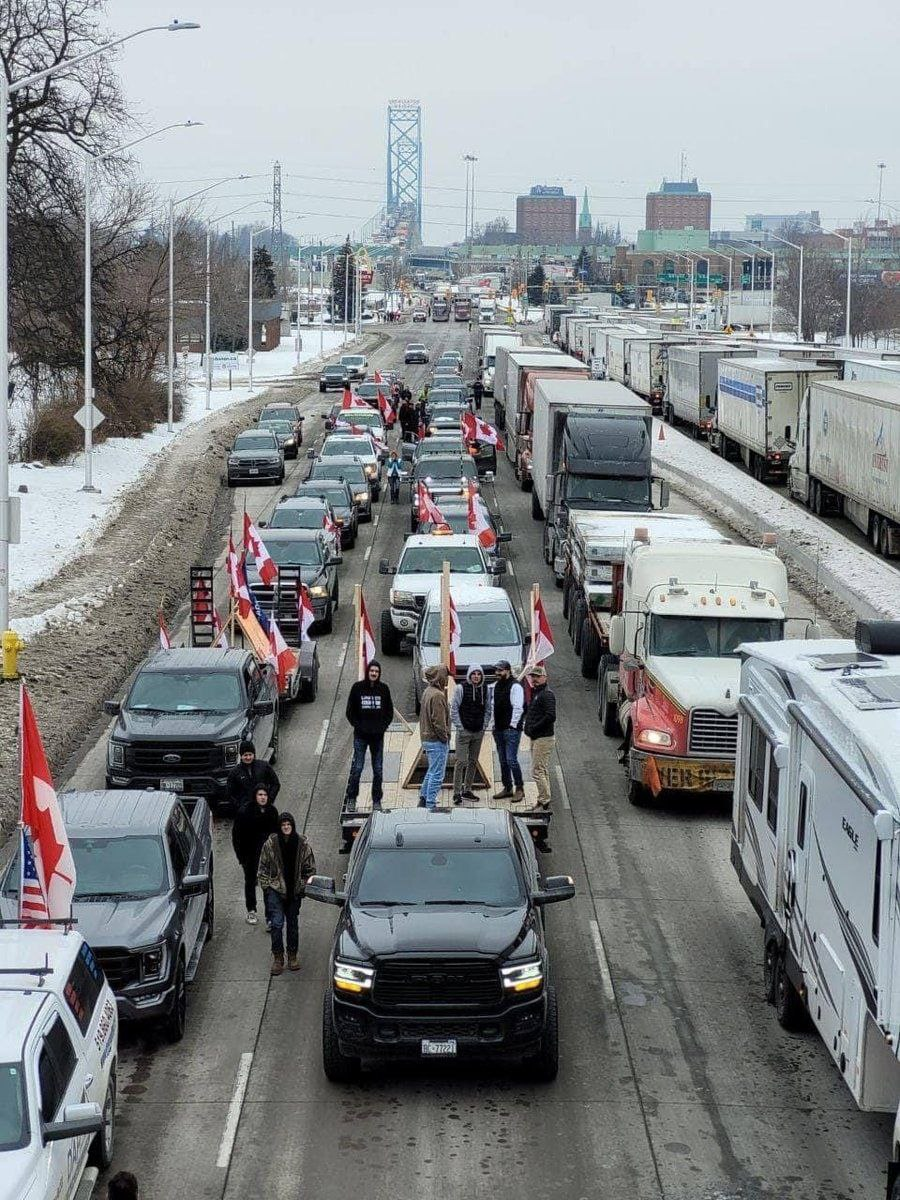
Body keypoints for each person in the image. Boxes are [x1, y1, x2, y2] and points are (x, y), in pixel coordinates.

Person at [257, 812, 316, 975]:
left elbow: (310, 870)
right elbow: (262, 869)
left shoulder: (302, 845)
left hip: (294, 892)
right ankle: (278, 957)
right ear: (279, 827)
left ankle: (292, 956)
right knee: (276, 924)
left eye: (288, 824)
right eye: (283, 825)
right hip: (275, 891)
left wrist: (303, 885)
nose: (286, 827)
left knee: (292, 924)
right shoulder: (270, 844)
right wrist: (267, 888)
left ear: (293, 825)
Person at [344, 660, 394, 810]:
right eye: (372, 671)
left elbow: (389, 712)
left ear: (379, 674)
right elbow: (350, 712)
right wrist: (359, 726)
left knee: (378, 770)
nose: (374, 673)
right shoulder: (357, 688)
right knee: (357, 767)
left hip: (377, 738)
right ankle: (352, 797)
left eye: (376, 672)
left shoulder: (384, 689)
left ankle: (377, 800)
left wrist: (382, 727)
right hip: (360, 736)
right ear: (368, 672)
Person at [231, 785, 279, 924]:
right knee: (250, 882)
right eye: (260, 794)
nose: (263, 797)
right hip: (249, 856)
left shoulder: (272, 812)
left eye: (265, 794)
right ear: (255, 796)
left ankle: (269, 916)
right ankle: (251, 910)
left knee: (268, 886)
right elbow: (237, 835)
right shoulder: (245, 812)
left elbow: (277, 835)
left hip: (267, 857)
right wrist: (241, 856)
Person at [450, 664, 492, 805]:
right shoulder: (460, 688)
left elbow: (488, 709)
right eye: (473, 673)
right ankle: (456, 792)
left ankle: (467, 789)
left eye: (478, 674)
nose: (476, 676)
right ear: (469, 675)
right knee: (461, 761)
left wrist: (484, 726)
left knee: (473, 761)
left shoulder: (485, 690)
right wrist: (460, 727)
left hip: (478, 731)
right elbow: (454, 708)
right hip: (464, 732)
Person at [523, 665, 556, 811]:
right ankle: (544, 798)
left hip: (543, 738)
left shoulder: (547, 695)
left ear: (545, 678)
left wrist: (534, 727)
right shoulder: (537, 693)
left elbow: (550, 716)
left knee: (537, 770)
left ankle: (544, 801)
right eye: (533, 676)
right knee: (542, 769)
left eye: (537, 676)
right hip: (537, 737)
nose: (534, 679)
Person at [491, 660, 525, 802]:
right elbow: (494, 706)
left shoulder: (515, 686)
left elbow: (518, 708)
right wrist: (493, 725)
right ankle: (507, 787)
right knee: (503, 761)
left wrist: (512, 725)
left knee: (511, 760)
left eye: (500, 670)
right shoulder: (497, 686)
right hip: (498, 729)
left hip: (510, 731)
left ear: (508, 671)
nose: (497, 673)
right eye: (496, 670)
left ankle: (519, 788)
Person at [419, 664, 450, 811]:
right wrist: (445, 738)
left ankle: (423, 797)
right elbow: (438, 721)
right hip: (436, 740)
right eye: (446, 676)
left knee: (431, 770)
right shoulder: (438, 695)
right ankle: (430, 804)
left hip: (426, 738)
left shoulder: (427, 691)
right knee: (437, 775)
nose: (447, 679)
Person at [226, 740, 280, 811]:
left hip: (265, 809)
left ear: (254, 754)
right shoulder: (234, 773)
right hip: (246, 812)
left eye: (250, 754)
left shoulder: (264, 766)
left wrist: (269, 799)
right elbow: (229, 794)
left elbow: (276, 784)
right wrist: (240, 807)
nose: (248, 758)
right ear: (241, 756)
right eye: (245, 755)